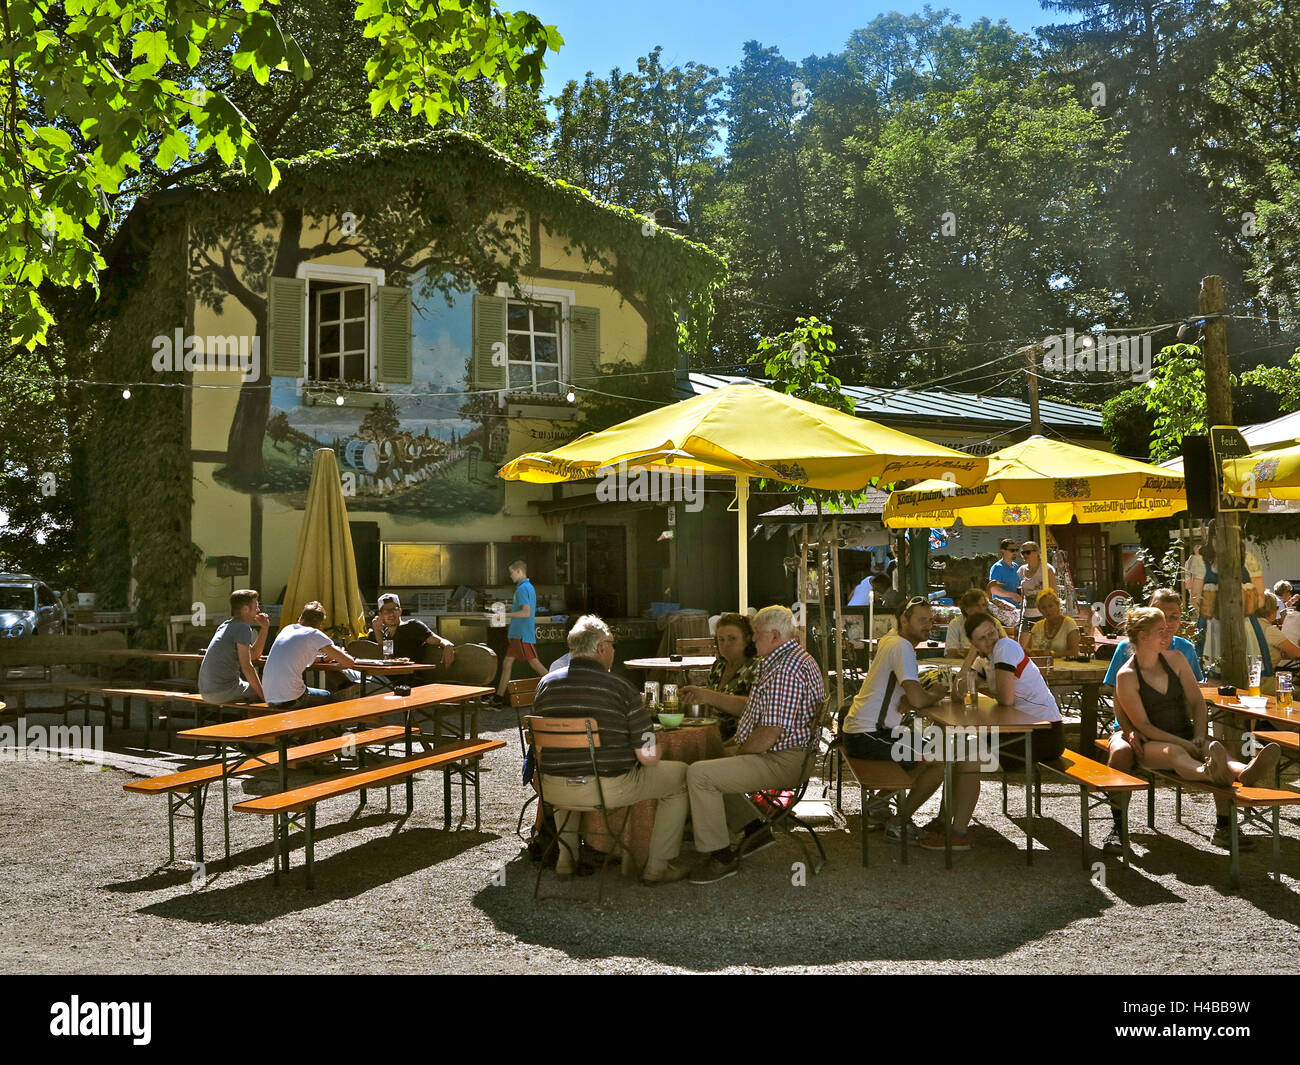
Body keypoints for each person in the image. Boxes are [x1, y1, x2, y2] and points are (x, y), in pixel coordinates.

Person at [533, 615, 692, 885]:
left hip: (552, 789)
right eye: (612, 644)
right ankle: (657, 866)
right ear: (601, 648)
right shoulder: (621, 688)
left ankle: (565, 858)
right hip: (605, 789)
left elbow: (539, 748)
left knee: (569, 769)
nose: (614, 650)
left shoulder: (546, 684)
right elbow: (648, 758)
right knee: (680, 778)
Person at [1114, 607, 1280, 847]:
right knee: (1176, 753)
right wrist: (1184, 743)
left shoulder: (1176, 660)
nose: (1168, 634)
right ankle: (1209, 772)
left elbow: (1197, 703)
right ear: (1142, 636)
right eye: (1160, 631)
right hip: (1152, 744)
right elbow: (1144, 725)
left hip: (1186, 733)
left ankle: (1244, 771)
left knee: (1213, 746)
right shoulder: (1127, 675)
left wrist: (1200, 735)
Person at [686, 605, 826, 884]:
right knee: (706, 759)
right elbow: (759, 713)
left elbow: (768, 735)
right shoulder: (790, 659)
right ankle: (754, 829)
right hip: (787, 754)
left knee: (700, 774)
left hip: (783, 759)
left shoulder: (785, 670)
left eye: (757, 634)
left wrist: (737, 752)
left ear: (774, 635)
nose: (753, 639)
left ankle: (721, 856)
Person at [920, 611, 1065, 852]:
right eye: (982, 639)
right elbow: (957, 694)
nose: (990, 640)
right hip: (1017, 731)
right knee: (955, 751)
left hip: (1043, 734)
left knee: (968, 760)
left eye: (991, 632)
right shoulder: (986, 657)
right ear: (973, 643)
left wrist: (983, 683)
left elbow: (1006, 699)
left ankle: (959, 834)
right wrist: (971, 657)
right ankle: (945, 821)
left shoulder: (1005, 646)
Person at [1098, 587, 1204, 853]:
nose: (1168, 624)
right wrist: (1130, 729)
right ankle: (1118, 828)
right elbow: (1117, 698)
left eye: (1174, 617)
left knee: (1223, 745)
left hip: (1171, 727)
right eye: (1162, 616)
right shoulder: (1126, 648)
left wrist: (1196, 731)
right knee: (1122, 752)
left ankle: (1225, 825)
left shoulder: (1184, 650)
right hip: (1132, 724)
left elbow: (1195, 696)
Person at [840, 597, 947, 842]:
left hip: (862, 731)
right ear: (903, 620)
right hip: (868, 735)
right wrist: (935, 694)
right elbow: (919, 700)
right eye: (922, 620)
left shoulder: (889, 639)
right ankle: (898, 824)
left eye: (930, 620)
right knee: (939, 760)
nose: (928, 625)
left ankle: (878, 807)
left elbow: (907, 695)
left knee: (921, 749)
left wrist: (914, 698)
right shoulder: (902, 646)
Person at [1184, 538, 1271, 677]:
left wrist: (1244, 598)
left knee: (1247, 673)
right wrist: (1212, 604)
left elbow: (1260, 599)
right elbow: (1195, 599)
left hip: (1244, 623)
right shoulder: (1201, 563)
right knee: (1211, 673)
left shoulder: (1248, 561)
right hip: (1211, 625)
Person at [262, 601, 362, 709]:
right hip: (291, 698)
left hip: (269, 697)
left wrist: (323, 659)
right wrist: (340, 652)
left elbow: (301, 657)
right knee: (331, 698)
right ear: (319, 626)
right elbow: (349, 662)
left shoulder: (287, 629)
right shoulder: (314, 634)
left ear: (300, 619)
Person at [680, 612, 760, 741]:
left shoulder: (757, 666)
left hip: (738, 739)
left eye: (732, 639)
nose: (725, 644)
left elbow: (757, 707)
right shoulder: (719, 666)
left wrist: (707, 695)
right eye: (721, 639)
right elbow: (708, 704)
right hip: (708, 733)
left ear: (747, 639)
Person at [198, 588, 270, 705]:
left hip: (207, 692)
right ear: (246, 609)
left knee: (262, 690)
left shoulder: (225, 626)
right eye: (256, 606)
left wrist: (264, 629)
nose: (258, 610)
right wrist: (265, 699)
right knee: (273, 693)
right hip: (224, 691)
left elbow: (253, 655)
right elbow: (247, 667)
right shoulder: (243, 628)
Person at [490, 559, 547, 705]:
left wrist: (503, 615)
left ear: (519, 571)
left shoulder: (521, 589)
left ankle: (559, 688)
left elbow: (526, 612)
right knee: (507, 663)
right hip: (519, 634)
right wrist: (510, 608)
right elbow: (524, 609)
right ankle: (498, 699)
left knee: (535, 664)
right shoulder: (528, 587)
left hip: (521, 634)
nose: (510, 576)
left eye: (511, 573)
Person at [945, 589, 1011, 653]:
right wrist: (976, 653)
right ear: (966, 608)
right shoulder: (955, 624)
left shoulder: (994, 622)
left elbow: (1004, 646)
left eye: (983, 605)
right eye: (977, 605)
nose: (981, 609)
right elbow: (951, 652)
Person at [1016, 541, 1057, 642]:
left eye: (1028, 552)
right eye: (1022, 553)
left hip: (1044, 614)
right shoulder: (1021, 570)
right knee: (1021, 648)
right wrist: (1020, 615)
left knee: (1043, 647)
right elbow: (1023, 595)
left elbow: (1054, 594)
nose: (1025, 555)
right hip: (1027, 614)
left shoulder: (1047, 569)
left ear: (1037, 552)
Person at [1026, 589, 1080, 656]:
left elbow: (1074, 652)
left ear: (1058, 605)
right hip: (1040, 665)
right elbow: (1027, 648)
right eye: (1043, 607)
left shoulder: (1069, 624)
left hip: (1064, 665)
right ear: (1039, 610)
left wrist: (1051, 654)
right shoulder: (1037, 626)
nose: (1047, 610)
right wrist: (1030, 652)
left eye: (1050, 606)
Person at [1256, 591, 1300, 670]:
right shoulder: (1269, 630)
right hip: (1266, 678)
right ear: (1272, 610)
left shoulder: (1255, 624)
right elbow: (1297, 653)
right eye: (1277, 608)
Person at [988, 538, 1023, 616]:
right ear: (1002, 551)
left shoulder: (1016, 566)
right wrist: (1012, 595)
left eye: (1016, 550)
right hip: (1002, 611)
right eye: (1012, 550)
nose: (1015, 552)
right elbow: (993, 589)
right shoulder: (997, 567)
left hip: (1016, 609)